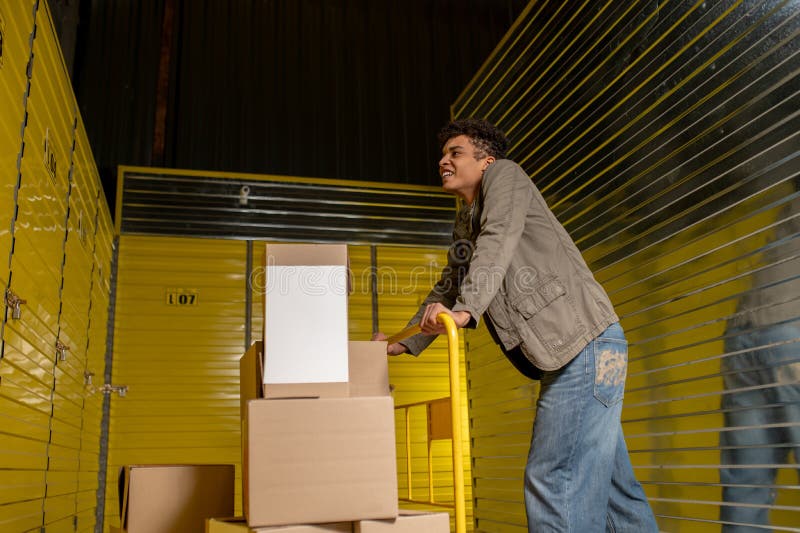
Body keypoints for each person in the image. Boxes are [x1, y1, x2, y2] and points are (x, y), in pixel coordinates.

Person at [373, 118, 658, 532]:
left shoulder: (506, 176)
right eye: (443, 154)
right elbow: (451, 282)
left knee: (554, 480)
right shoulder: (466, 217)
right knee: (618, 494)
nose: (442, 162)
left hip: (585, 347)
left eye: (455, 153)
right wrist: (405, 340)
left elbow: (499, 236)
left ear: (485, 161)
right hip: (582, 351)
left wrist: (467, 310)